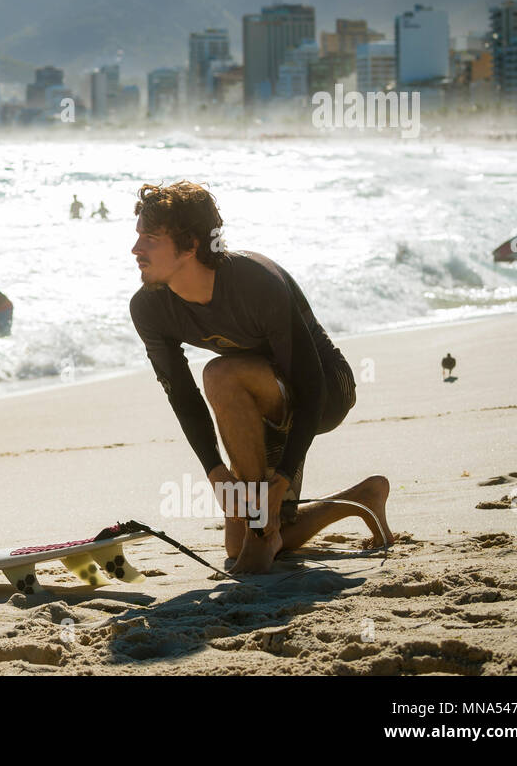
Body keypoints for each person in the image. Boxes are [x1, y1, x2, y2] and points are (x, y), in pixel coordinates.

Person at [128, 181, 392, 574]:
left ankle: (262, 533)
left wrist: (282, 480)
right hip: (254, 404)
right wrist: (216, 473)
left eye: (149, 238)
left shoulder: (254, 281)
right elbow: (181, 395)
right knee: (239, 545)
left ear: (191, 245)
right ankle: (361, 498)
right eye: (138, 237)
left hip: (323, 391)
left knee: (219, 374)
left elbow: (311, 383)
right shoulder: (149, 307)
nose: (136, 249)